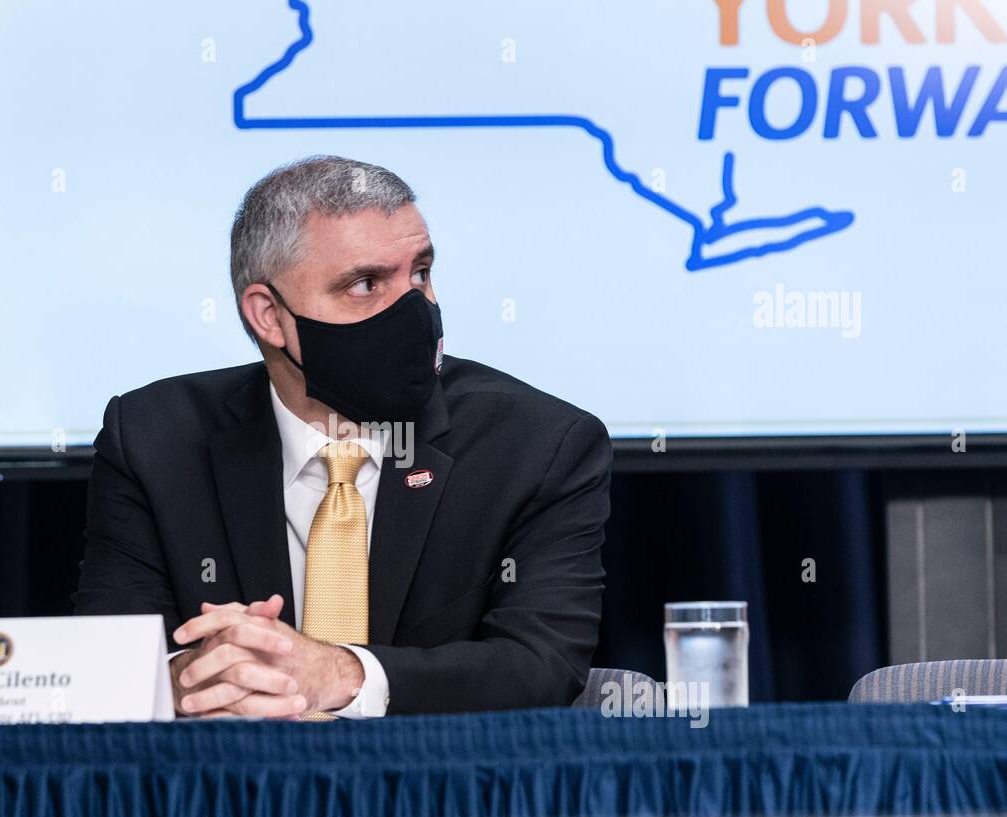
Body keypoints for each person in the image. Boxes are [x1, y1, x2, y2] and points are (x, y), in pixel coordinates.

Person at [74, 155, 611, 718]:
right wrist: (181, 682)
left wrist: (340, 673)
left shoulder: (538, 445)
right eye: (365, 284)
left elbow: (542, 668)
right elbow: (109, 662)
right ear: (268, 316)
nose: (416, 310)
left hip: (450, 795)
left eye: (420, 274)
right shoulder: (154, 440)